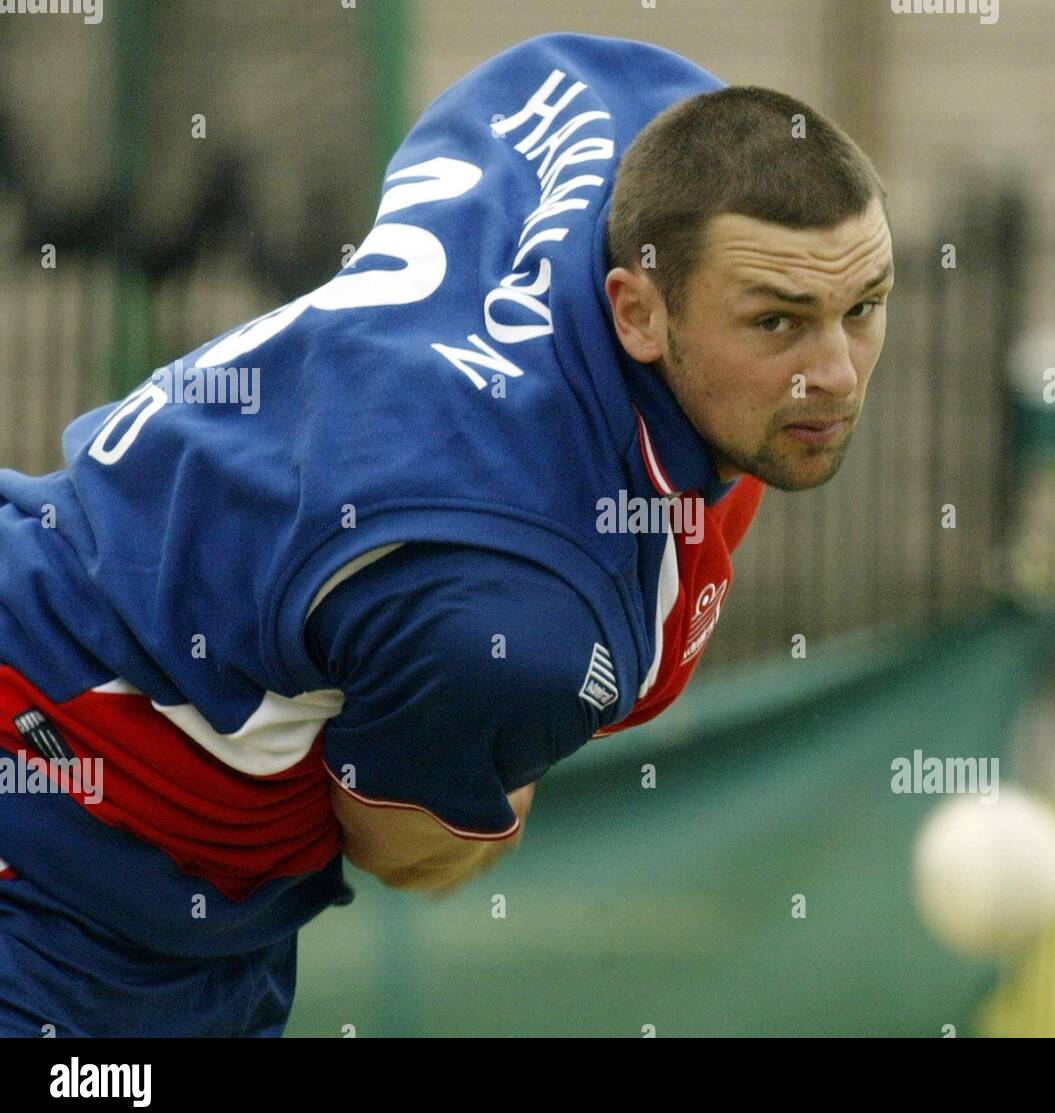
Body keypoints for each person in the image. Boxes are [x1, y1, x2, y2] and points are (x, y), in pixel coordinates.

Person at [0, 31, 892, 1036]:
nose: (840, 373)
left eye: (863, 307)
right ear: (635, 311)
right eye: (776, 321)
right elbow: (406, 846)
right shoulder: (518, 620)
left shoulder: (619, 107)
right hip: (56, 845)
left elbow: (547, 78)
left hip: (190, 905)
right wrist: (499, 765)